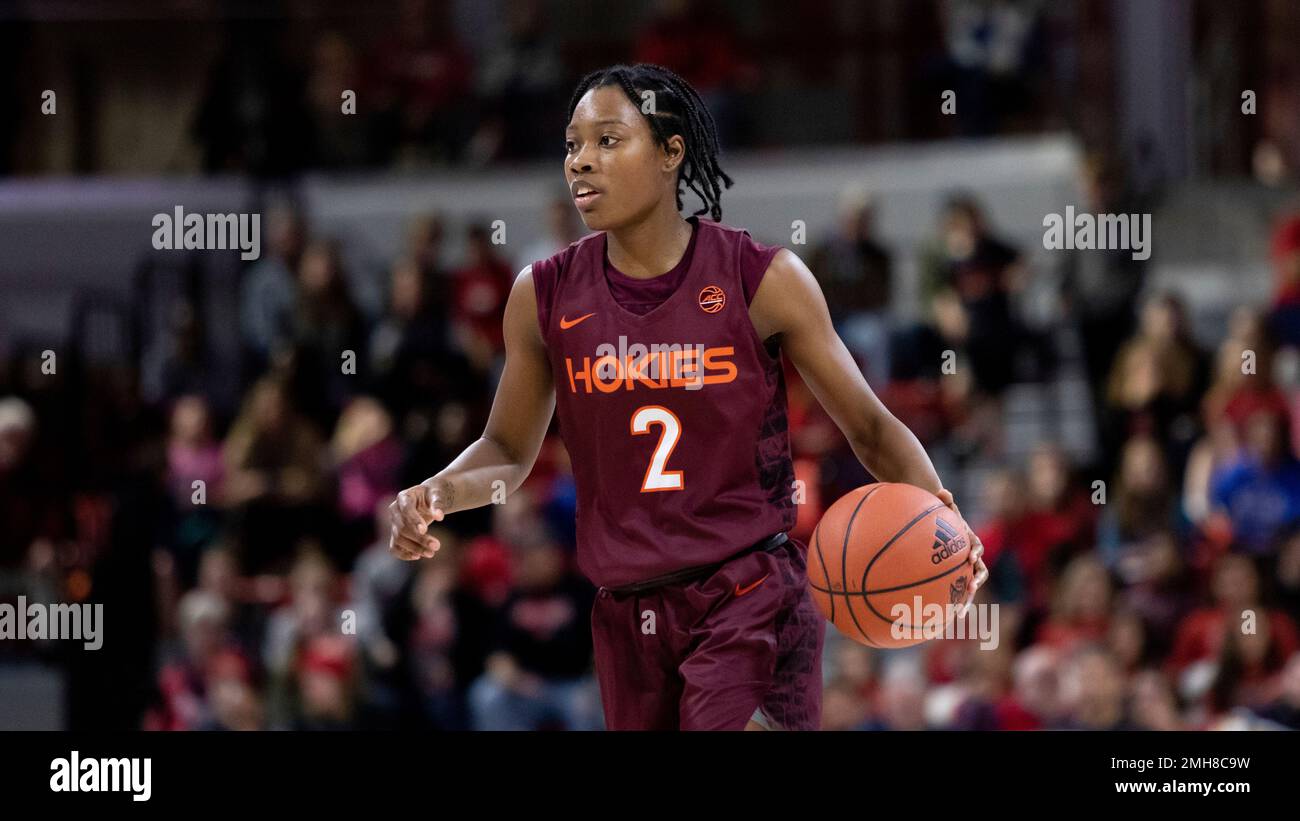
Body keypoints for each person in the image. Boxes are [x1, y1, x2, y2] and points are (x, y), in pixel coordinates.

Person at [388, 63, 987, 730]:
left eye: (608, 140)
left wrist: (943, 522)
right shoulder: (543, 294)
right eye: (572, 145)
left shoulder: (762, 279)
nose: (582, 162)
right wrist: (437, 491)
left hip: (748, 595)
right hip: (627, 613)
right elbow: (506, 448)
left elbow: (870, 427)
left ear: (673, 153)